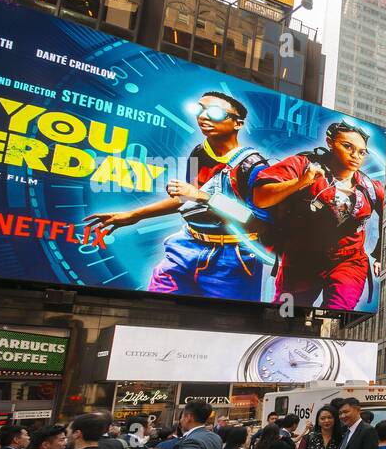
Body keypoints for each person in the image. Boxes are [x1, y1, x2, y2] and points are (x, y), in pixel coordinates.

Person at [84, 91, 271, 301]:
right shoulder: (199, 152)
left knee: (224, 322)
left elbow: (258, 223)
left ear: (237, 123)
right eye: (200, 109)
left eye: (216, 113)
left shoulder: (253, 166)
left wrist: (205, 197)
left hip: (232, 259)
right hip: (186, 246)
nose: (204, 117)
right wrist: (133, 215)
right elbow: (186, 199)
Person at [252, 120, 384, 310]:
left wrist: (380, 255)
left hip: (348, 263)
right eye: (348, 147)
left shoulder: (370, 187)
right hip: (300, 263)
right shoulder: (301, 165)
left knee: (335, 314)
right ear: (330, 142)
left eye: (361, 152)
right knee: (285, 317)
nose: (355, 156)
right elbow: (260, 197)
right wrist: (301, 182)